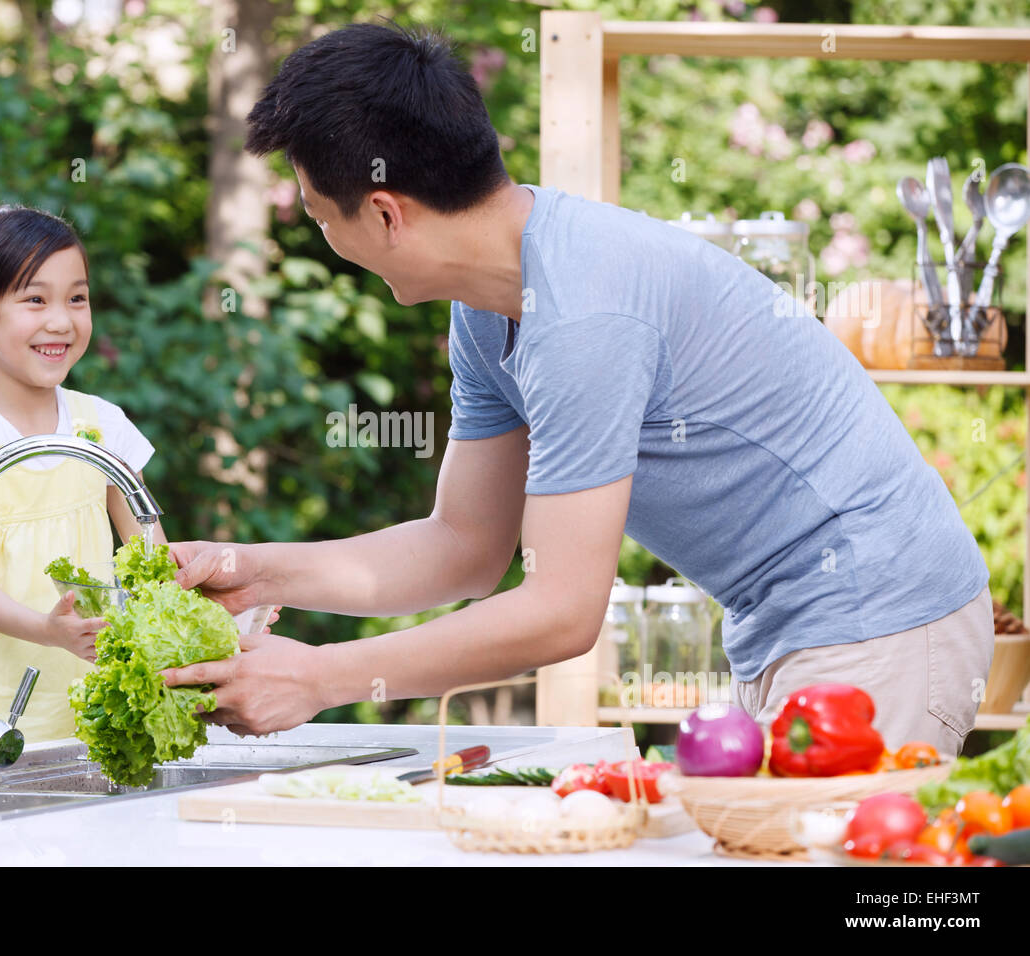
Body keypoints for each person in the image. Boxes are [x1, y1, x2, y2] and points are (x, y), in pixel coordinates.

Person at [161, 22, 994, 758]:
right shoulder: (491, 309)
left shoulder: (584, 310)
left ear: (384, 212)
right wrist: (252, 571)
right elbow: (465, 546)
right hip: (797, 625)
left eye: (317, 214)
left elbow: (562, 614)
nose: (319, 233)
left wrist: (319, 678)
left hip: (879, 613)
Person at [0, 204, 160, 761]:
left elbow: (152, 562)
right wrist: (48, 630)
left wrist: (217, 611)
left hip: (87, 700)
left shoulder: (102, 425)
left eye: (77, 297)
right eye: (35, 299)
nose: (62, 321)